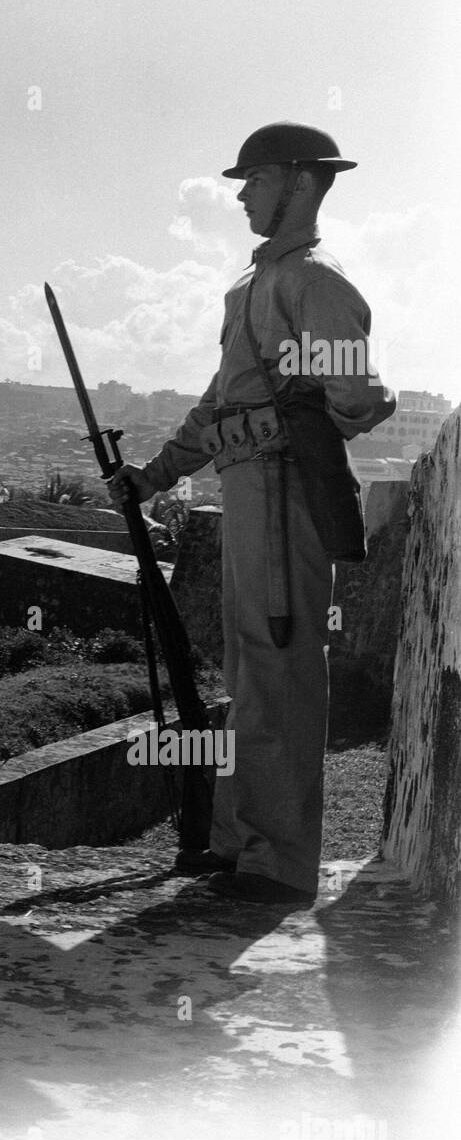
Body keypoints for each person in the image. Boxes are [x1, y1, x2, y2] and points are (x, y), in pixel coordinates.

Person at [108, 123, 396, 907]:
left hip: (280, 486)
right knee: (248, 669)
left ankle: (276, 863)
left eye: (255, 179)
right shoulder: (251, 286)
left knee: (279, 661)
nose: (239, 194)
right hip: (247, 485)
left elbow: (360, 396)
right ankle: (242, 846)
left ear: (300, 182)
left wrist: (292, 422)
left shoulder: (312, 281)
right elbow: (218, 402)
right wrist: (155, 476)